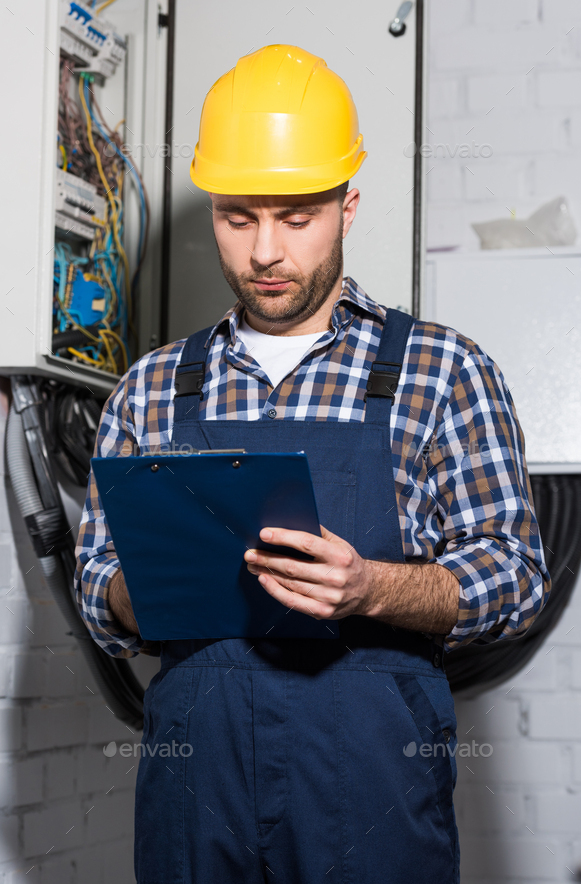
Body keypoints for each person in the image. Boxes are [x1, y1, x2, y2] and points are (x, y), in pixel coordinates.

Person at [74, 43, 551, 884]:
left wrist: (373, 587)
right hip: (196, 802)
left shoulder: (442, 372)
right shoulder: (151, 388)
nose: (264, 251)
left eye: (296, 218)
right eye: (237, 216)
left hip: (371, 802)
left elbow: (513, 578)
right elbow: (96, 593)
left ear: (348, 204)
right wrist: (143, 584)